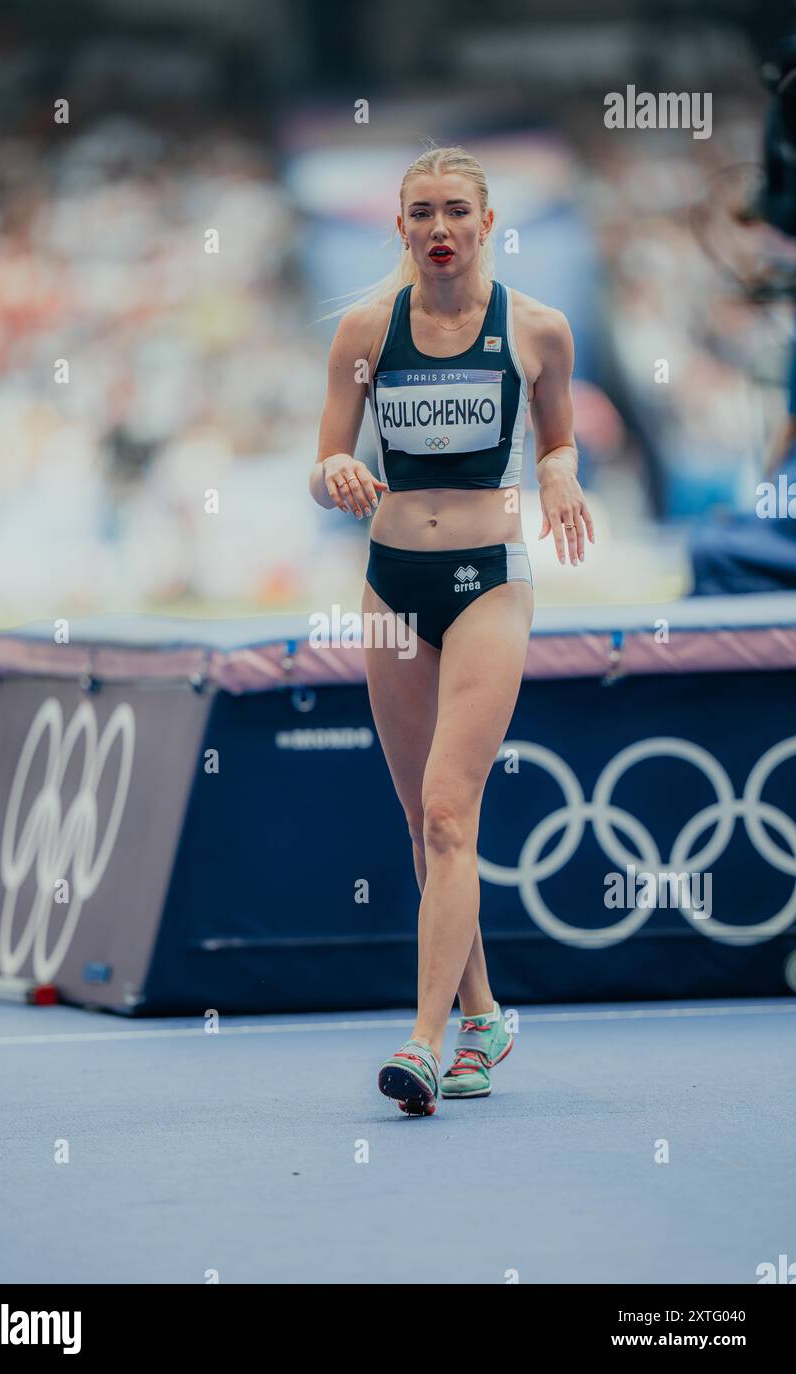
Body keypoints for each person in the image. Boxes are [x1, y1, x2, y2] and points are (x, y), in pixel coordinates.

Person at [309, 146, 594, 1115]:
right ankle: (483, 1015)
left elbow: (556, 439)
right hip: (392, 586)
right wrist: (336, 476)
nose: (437, 229)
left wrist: (557, 473)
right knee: (426, 825)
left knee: (444, 810)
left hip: (486, 586)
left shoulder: (536, 330)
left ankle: (423, 1041)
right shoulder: (362, 330)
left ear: (485, 223)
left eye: (454, 213)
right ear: (398, 228)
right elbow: (322, 459)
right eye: (419, 213)